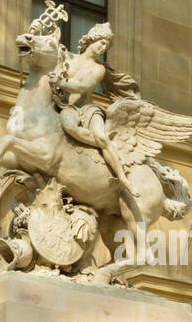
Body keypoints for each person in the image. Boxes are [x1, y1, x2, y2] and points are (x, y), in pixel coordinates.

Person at [52, 24, 141, 198]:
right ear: (91, 40)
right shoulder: (67, 58)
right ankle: (96, 150)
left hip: (88, 109)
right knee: (68, 126)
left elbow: (83, 86)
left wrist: (61, 83)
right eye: (101, 43)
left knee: (101, 137)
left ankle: (122, 176)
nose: (102, 48)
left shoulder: (99, 69)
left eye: (105, 46)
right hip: (68, 107)